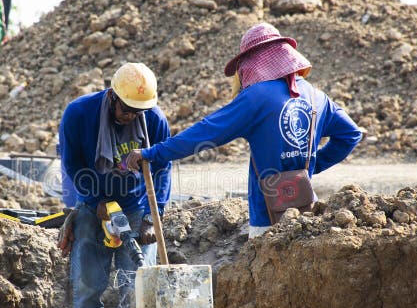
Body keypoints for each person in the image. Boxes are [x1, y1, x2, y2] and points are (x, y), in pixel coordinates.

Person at [127, 22, 361, 238]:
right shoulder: (316, 96)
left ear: (254, 61)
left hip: (267, 218)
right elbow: (351, 134)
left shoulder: (256, 97)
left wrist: (152, 153)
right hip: (306, 212)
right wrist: (311, 166)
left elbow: (204, 133)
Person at [57, 62, 171, 308]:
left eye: (139, 111)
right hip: (93, 203)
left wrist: (152, 215)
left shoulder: (155, 120)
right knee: (87, 281)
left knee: (136, 283)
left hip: (135, 205)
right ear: (112, 95)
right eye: (127, 109)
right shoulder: (79, 115)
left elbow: (162, 171)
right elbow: (73, 165)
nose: (132, 116)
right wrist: (95, 204)